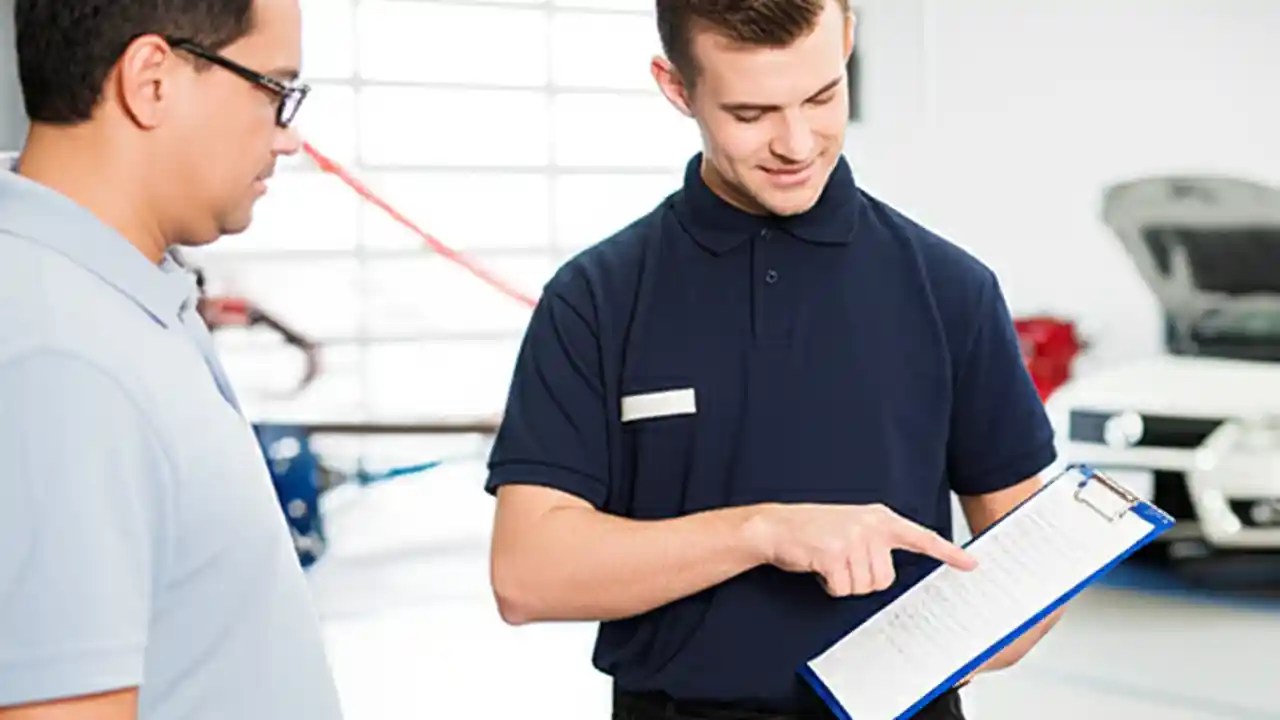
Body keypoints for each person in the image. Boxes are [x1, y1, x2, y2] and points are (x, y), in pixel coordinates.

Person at [484, 1, 1064, 718]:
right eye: (751, 113)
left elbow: (1031, 561)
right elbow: (528, 576)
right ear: (677, 87)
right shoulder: (597, 298)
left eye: (822, 96)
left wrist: (945, 652)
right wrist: (764, 532)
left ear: (848, 43)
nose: (797, 143)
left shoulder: (951, 288)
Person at [0, 2, 342, 719]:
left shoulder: (107, 299)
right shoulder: (60, 360)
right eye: (275, 90)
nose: (289, 138)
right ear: (152, 80)